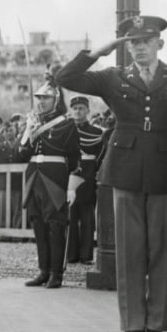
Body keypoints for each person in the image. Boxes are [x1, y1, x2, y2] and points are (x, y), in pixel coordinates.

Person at [56, 16, 167, 332]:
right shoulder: (113, 77)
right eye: (132, 42)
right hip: (125, 170)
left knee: (161, 250)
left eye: (145, 41)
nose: (139, 47)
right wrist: (99, 52)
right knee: (130, 250)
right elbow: (65, 77)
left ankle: (156, 325)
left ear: (160, 44)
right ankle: (133, 324)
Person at [18, 68, 80, 291]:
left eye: (46, 98)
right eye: (39, 98)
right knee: (38, 225)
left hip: (55, 178)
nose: (41, 102)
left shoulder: (66, 123)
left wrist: (71, 184)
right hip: (34, 176)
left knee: (55, 225)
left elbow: (74, 157)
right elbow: (22, 153)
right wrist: (28, 130)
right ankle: (43, 270)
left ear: (56, 99)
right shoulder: (34, 122)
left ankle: (56, 273)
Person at [65, 96, 102, 266]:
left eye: (81, 108)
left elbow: (100, 158)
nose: (78, 111)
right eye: (75, 108)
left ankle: (86, 255)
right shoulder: (64, 130)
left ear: (88, 110)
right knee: (70, 217)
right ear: (71, 111)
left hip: (88, 175)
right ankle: (71, 254)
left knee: (87, 218)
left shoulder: (96, 133)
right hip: (70, 174)